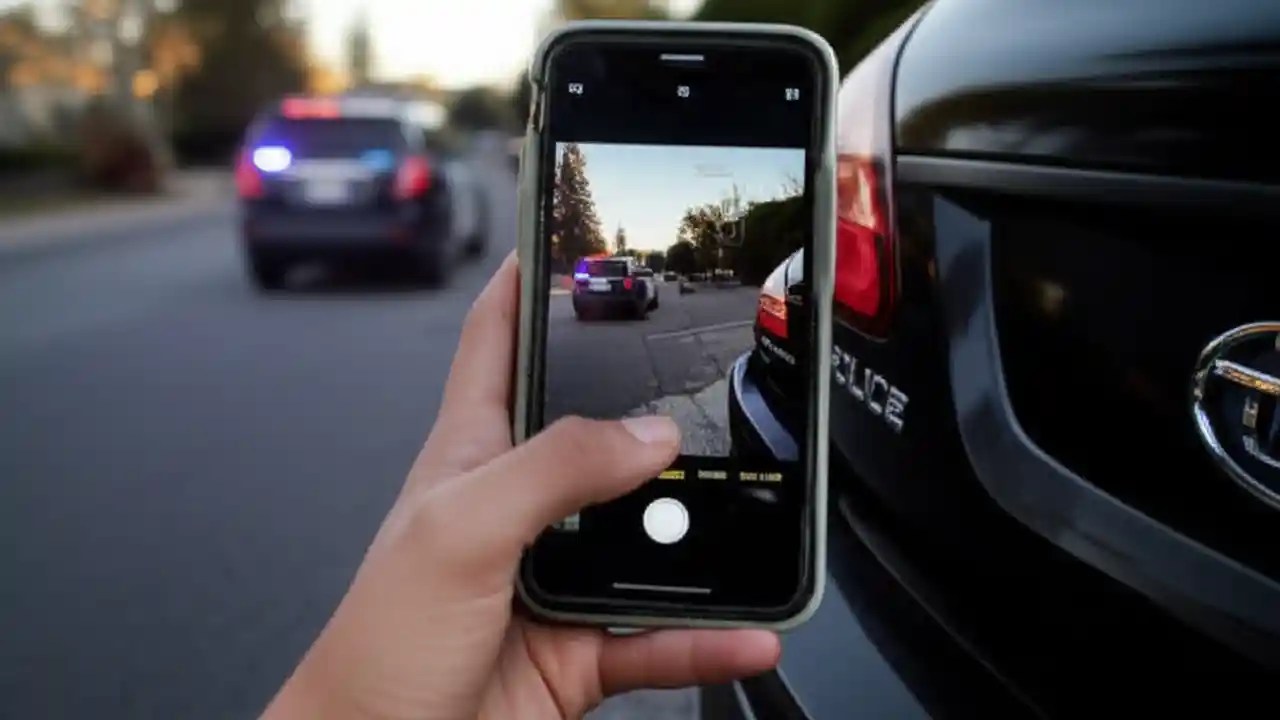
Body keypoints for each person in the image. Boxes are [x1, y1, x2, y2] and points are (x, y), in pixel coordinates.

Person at [263, 253, 781, 719]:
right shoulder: (627, 281)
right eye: (591, 279)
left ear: (633, 283)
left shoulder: (602, 281)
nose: (599, 282)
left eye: (613, 278)